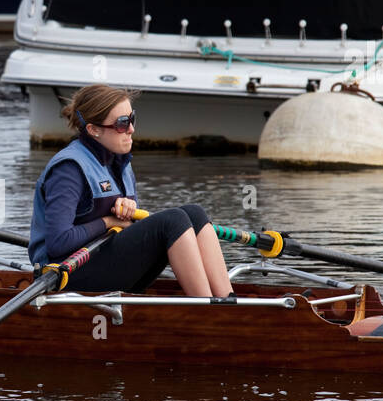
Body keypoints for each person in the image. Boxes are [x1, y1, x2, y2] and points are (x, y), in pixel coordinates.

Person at [27, 84, 233, 297]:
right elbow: (58, 243)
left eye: (131, 119)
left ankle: (227, 300)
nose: (132, 129)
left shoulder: (121, 162)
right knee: (173, 221)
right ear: (93, 130)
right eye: (122, 124)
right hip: (64, 275)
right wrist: (108, 222)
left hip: (102, 259)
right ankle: (207, 309)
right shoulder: (69, 169)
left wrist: (130, 212)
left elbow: (128, 227)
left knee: (194, 213)